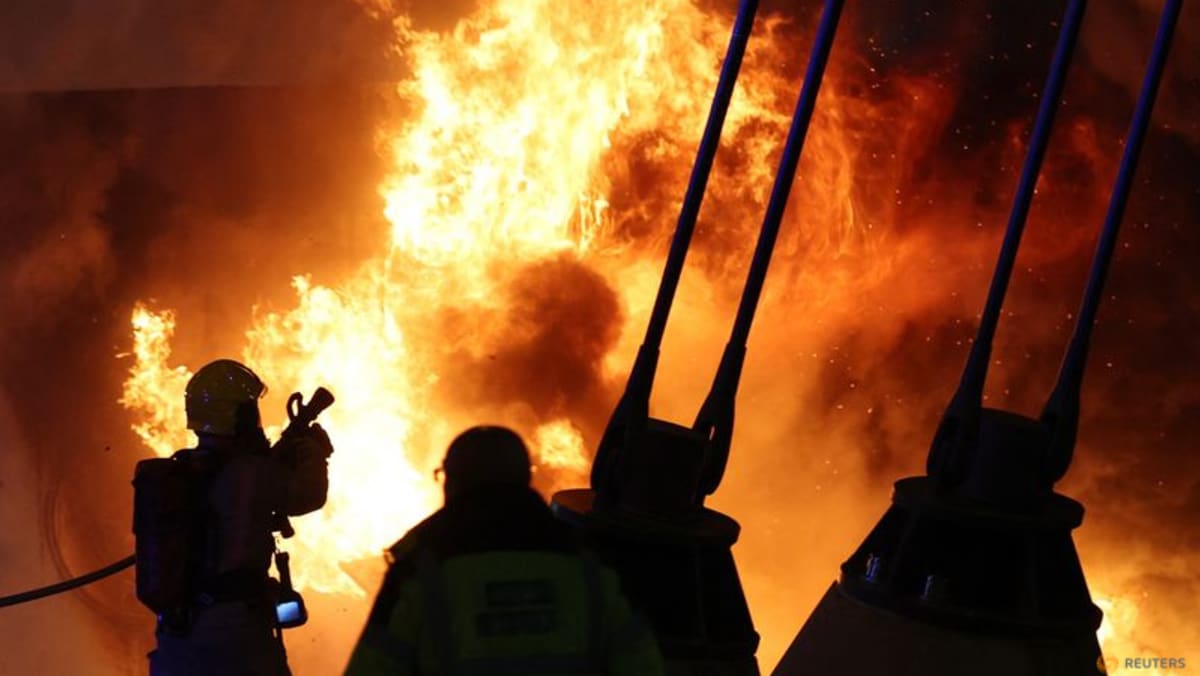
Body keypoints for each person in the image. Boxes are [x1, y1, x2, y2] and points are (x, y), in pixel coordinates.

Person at [344, 426, 665, 675]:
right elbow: (642, 666)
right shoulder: (590, 566)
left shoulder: (420, 572)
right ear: (525, 479)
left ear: (452, 482)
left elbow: (373, 668)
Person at [147, 359, 334, 676]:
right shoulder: (251, 473)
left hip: (177, 641)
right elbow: (307, 496)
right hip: (237, 641)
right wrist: (315, 453)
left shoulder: (180, 472)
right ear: (241, 416)